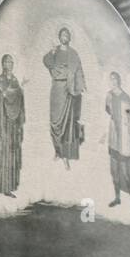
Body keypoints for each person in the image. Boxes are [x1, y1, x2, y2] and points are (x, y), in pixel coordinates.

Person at [43, 27, 85, 168]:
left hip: (69, 90)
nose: (65, 36)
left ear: (69, 37)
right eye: (62, 34)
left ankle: (65, 155)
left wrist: (81, 85)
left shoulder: (74, 54)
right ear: (59, 37)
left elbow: (79, 70)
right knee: (55, 121)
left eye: (67, 34)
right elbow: (46, 61)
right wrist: (52, 52)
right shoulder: (55, 51)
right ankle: (57, 151)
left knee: (67, 124)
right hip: (56, 89)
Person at [0, 54, 24, 197]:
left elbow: (18, 97)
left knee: (9, 153)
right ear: (3, 64)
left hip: (11, 124)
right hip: (0, 122)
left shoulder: (14, 80)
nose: (10, 64)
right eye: (7, 61)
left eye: (12, 61)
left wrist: (20, 89)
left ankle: (7, 187)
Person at [105, 72, 130, 208]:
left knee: (125, 170)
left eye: (115, 79)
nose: (113, 82)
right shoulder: (109, 95)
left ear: (119, 80)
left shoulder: (125, 97)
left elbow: (129, 115)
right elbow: (107, 110)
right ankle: (117, 198)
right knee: (114, 170)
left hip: (123, 140)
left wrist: (125, 123)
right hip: (114, 136)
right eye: (111, 79)